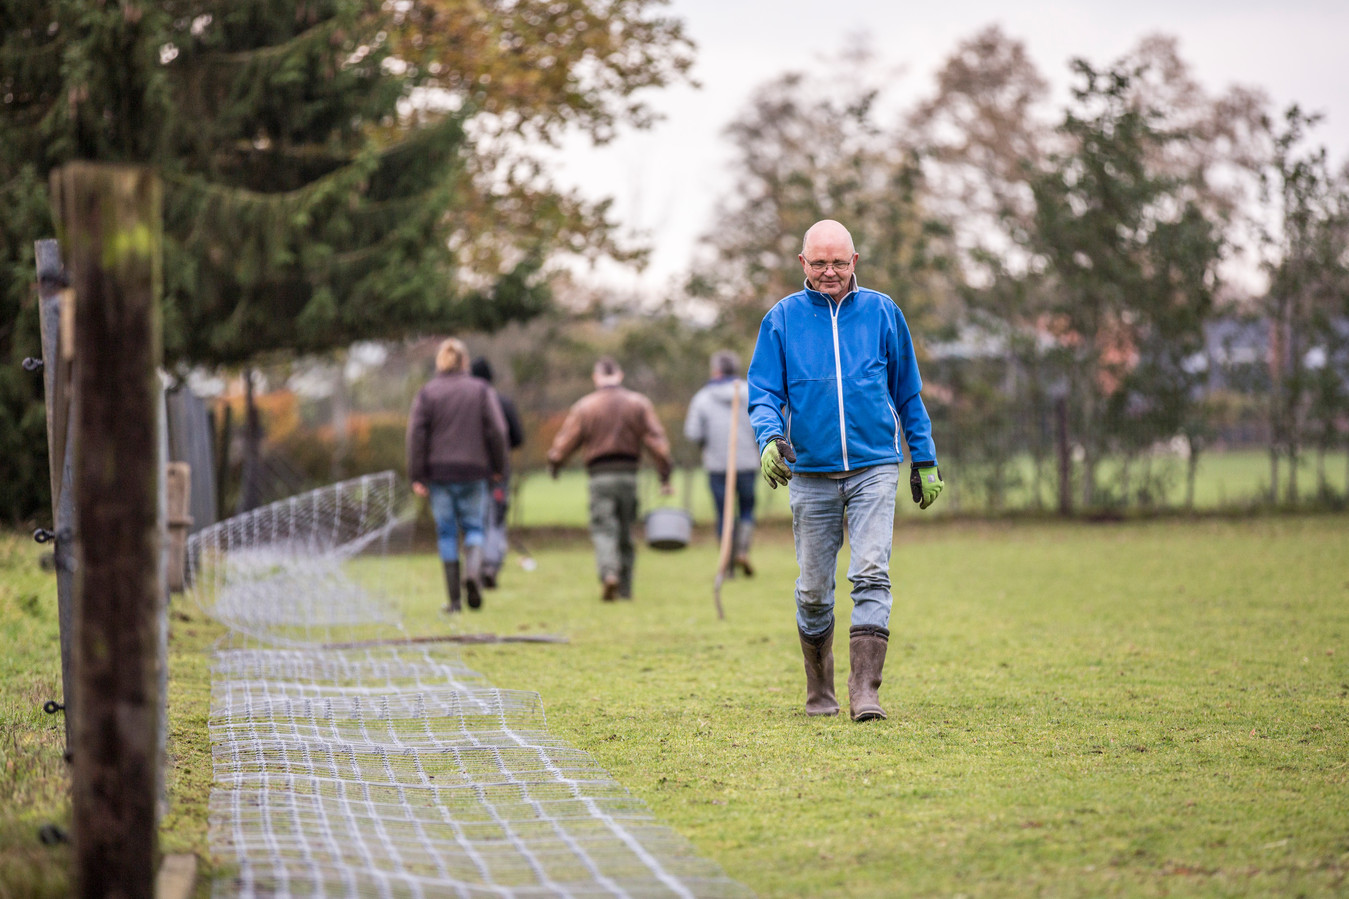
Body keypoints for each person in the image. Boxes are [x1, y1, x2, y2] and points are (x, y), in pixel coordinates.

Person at [747, 219, 945, 722]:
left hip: (874, 466)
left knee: (871, 573)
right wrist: (769, 438)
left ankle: (865, 692)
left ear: (854, 260)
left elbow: (907, 393)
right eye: (820, 263)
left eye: (839, 262)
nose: (830, 271)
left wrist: (924, 457)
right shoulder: (782, 320)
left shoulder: (883, 313)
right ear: (803, 265)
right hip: (810, 473)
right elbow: (765, 392)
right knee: (813, 589)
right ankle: (820, 690)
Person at [547, 357, 675, 601]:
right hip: (629, 475)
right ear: (620, 375)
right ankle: (625, 588)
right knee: (626, 531)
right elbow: (656, 443)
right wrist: (664, 474)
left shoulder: (585, 407)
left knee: (604, 530)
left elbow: (566, 442)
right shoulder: (638, 403)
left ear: (596, 377)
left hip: (599, 477)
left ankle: (609, 574)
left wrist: (555, 464)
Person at [407, 338, 510, 613]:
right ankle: (472, 575)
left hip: (439, 473)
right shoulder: (481, 389)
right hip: (475, 472)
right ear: (465, 361)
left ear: (440, 361)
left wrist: (417, 474)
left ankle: (454, 601)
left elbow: (416, 435)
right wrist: (499, 467)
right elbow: (498, 431)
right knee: (475, 528)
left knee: (446, 533)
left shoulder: (428, 393)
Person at [683, 349, 760, 576]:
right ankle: (743, 550)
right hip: (747, 463)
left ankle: (727, 563)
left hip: (717, 466)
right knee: (746, 510)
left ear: (716, 370)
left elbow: (693, 433)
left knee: (723, 514)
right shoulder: (751, 393)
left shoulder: (702, 397)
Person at [470, 357, 525, 589]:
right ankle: (491, 565)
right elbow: (518, 437)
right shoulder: (504, 402)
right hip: (499, 472)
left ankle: (476, 565)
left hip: (472, 471)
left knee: (475, 520)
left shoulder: (468, 403)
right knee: (496, 519)